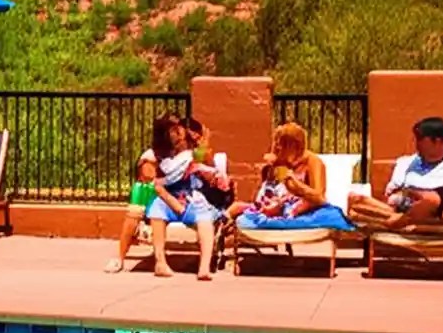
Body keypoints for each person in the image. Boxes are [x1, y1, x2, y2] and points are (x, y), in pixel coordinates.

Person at [349, 117, 443, 227]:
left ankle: (398, 221)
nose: (416, 143)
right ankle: (401, 219)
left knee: (435, 202)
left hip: (440, 212)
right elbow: (390, 195)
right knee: (355, 199)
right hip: (406, 206)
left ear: (439, 141)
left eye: (420, 139)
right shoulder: (406, 163)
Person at [148, 115, 225, 281]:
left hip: (192, 199)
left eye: (180, 131)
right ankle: (160, 261)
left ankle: (204, 267)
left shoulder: (193, 154)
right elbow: (158, 181)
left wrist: (203, 148)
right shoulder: (160, 157)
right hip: (168, 199)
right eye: (175, 131)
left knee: (204, 218)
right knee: (156, 210)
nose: (180, 135)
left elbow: (207, 166)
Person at [105, 112, 179, 273]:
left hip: (172, 193)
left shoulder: (182, 152)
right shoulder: (151, 157)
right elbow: (150, 179)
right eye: (174, 130)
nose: (177, 133)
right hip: (152, 194)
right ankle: (119, 257)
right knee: (136, 207)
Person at [229, 122, 327, 221]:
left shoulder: (313, 162)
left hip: (295, 210)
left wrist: (296, 186)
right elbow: (268, 194)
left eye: (279, 148)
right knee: (235, 208)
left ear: (293, 146)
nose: (276, 151)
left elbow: (319, 198)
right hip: (276, 206)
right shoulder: (281, 164)